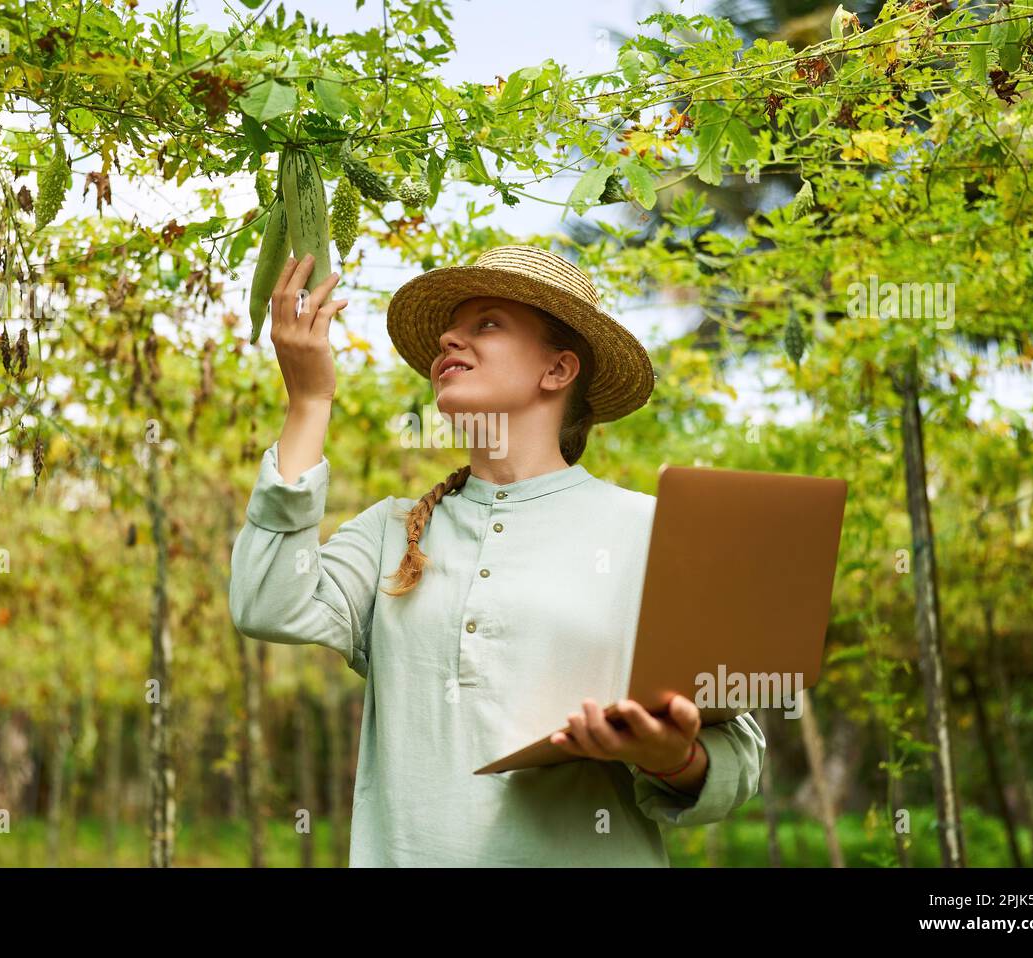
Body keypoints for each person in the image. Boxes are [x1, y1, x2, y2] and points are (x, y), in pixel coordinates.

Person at [230, 244, 765, 867]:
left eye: (486, 323)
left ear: (558, 371)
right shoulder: (392, 530)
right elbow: (266, 603)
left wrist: (672, 758)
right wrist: (309, 403)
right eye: (451, 329)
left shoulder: (652, 530)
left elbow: (737, 752)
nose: (449, 339)